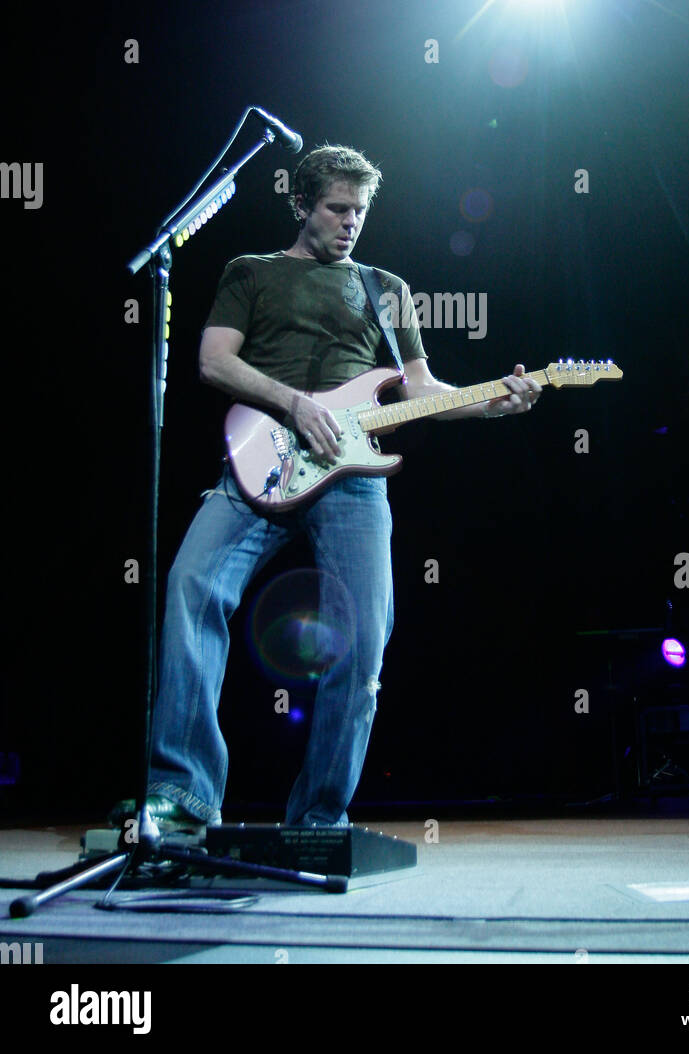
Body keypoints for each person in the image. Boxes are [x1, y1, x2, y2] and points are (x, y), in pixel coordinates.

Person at [113, 144, 541, 836]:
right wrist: (293, 403)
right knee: (192, 587)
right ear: (302, 204)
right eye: (337, 209)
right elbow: (213, 360)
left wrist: (494, 402)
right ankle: (185, 793)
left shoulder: (385, 287)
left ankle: (317, 819)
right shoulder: (250, 272)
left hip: (352, 480)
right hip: (261, 459)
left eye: (360, 211)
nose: (350, 223)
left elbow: (422, 390)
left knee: (365, 642)